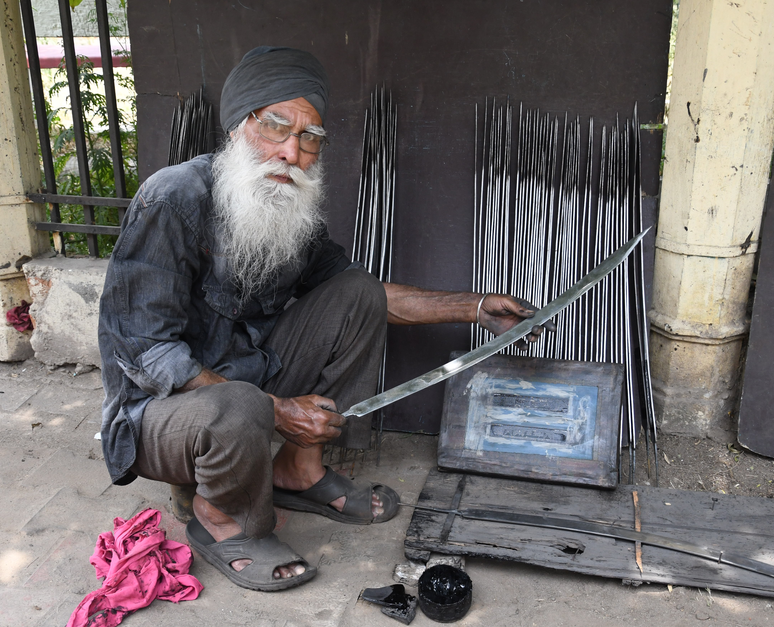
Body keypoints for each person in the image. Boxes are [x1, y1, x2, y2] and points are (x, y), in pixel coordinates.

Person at [98, 46, 548, 592]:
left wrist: (473, 308)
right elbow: (148, 352)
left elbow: (365, 294)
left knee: (357, 294)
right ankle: (218, 516)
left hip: (244, 390)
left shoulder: (287, 208)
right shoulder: (173, 197)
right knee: (238, 403)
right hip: (159, 417)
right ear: (239, 127)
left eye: (309, 137)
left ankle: (297, 469)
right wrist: (278, 409)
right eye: (276, 127)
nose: (291, 151)